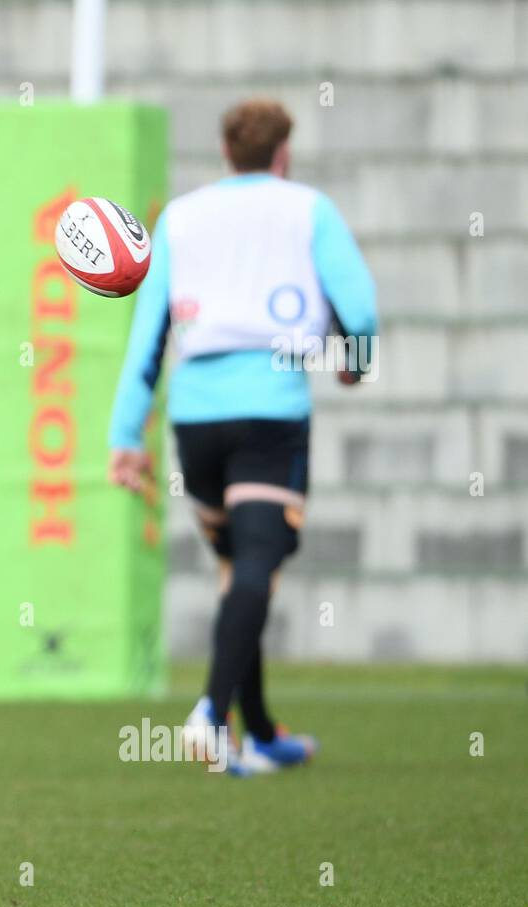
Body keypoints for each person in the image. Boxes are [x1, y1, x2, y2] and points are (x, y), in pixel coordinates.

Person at [106, 98, 378, 776]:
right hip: (270, 410)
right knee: (258, 564)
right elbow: (363, 308)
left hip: (196, 419)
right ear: (282, 154)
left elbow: (148, 335)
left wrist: (124, 434)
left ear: (227, 153)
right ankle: (211, 712)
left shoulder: (183, 216)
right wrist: (356, 362)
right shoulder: (308, 208)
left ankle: (257, 732)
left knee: (238, 572)